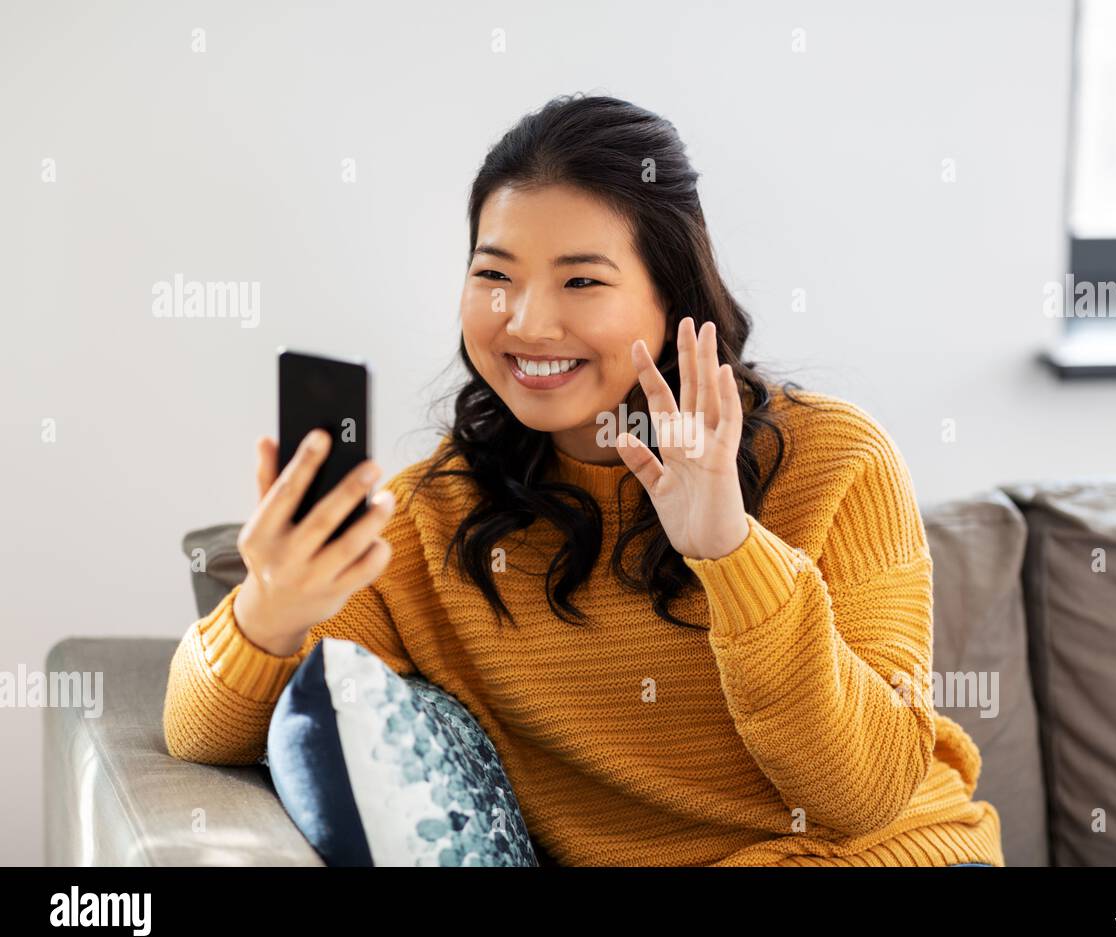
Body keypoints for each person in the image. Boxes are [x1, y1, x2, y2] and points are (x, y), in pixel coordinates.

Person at [163, 92, 1004, 867]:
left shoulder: (833, 460)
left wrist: (730, 551)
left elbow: (866, 792)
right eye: (494, 275)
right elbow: (196, 734)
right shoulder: (429, 522)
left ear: (673, 296)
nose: (527, 322)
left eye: (581, 281)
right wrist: (267, 611)